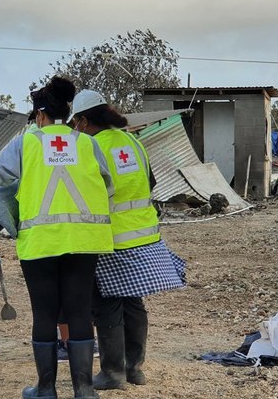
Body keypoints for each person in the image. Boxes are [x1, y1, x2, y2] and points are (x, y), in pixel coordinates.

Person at [0, 76, 114, 399]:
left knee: (45, 314)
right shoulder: (86, 143)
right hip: (83, 240)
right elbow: (107, 185)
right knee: (79, 311)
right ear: (67, 114)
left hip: (40, 244)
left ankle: (46, 389)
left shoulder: (27, 143)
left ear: (39, 115)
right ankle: (85, 390)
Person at [69, 90, 186, 391]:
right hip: (144, 233)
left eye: (76, 122)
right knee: (132, 300)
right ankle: (134, 369)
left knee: (106, 303)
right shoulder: (132, 141)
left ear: (83, 120)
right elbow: (150, 182)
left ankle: (112, 372)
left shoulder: (90, 146)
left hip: (111, 237)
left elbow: (86, 192)